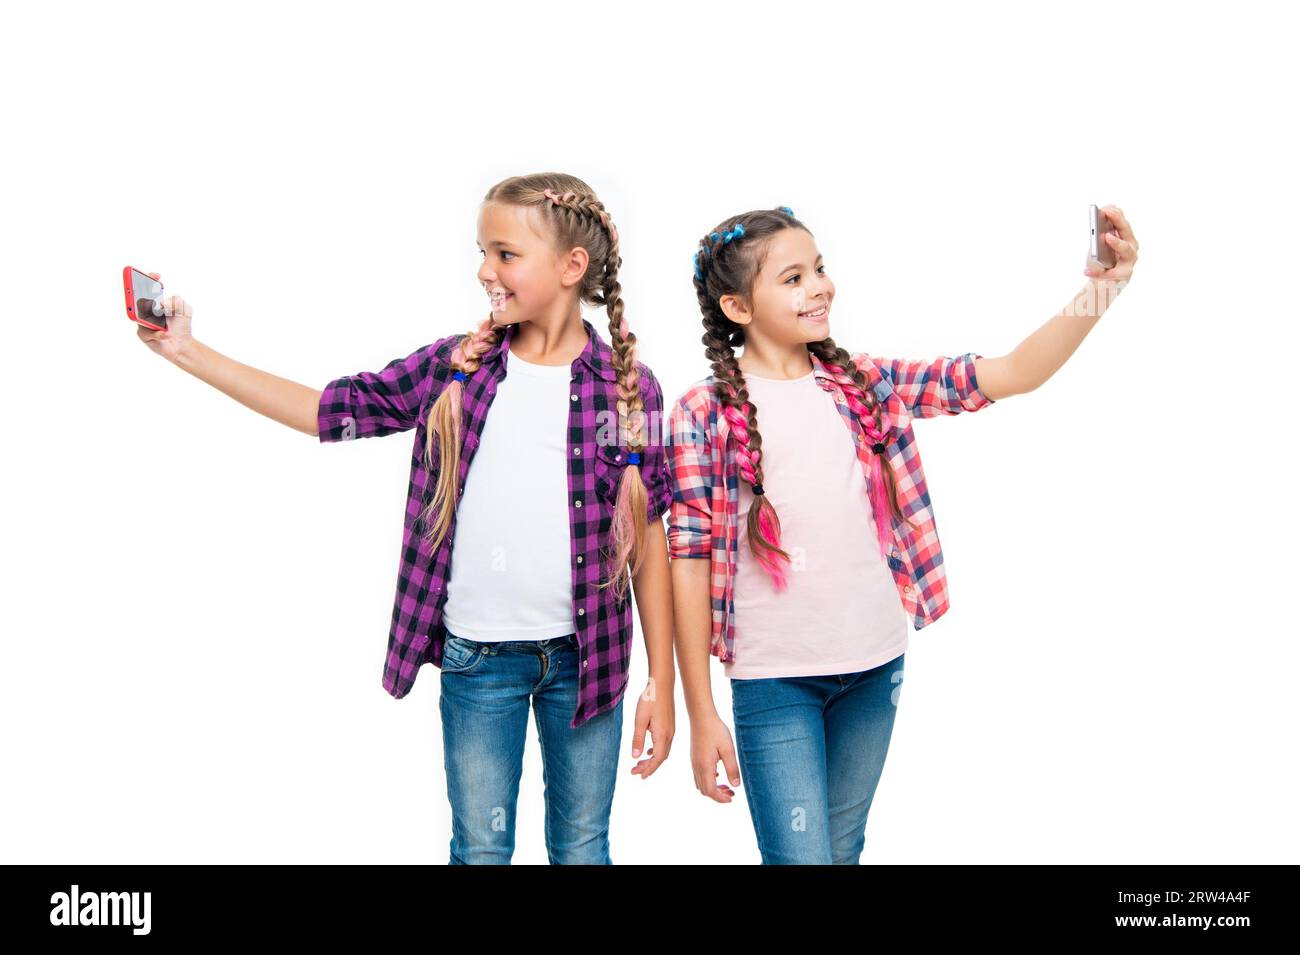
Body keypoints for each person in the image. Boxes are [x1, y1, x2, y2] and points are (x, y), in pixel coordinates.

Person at [136, 172, 677, 864]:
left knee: (582, 846)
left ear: (573, 267)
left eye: (505, 253)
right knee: (480, 847)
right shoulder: (454, 370)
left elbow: (649, 544)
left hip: (587, 662)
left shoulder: (627, 388)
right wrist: (187, 350)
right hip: (477, 662)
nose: (485, 269)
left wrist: (660, 680)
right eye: (481, 251)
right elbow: (323, 410)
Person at [668, 203, 1138, 864]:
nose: (821, 286)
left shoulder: (866, 384)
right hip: (774, 681)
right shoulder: (701, 411)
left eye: (820, 269)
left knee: (841, 848)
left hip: (874, 666)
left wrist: (1102, 287)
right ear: (738, 308)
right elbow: (685, 561)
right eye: (794, 277)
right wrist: (700, 709)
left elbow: (1009, 374)